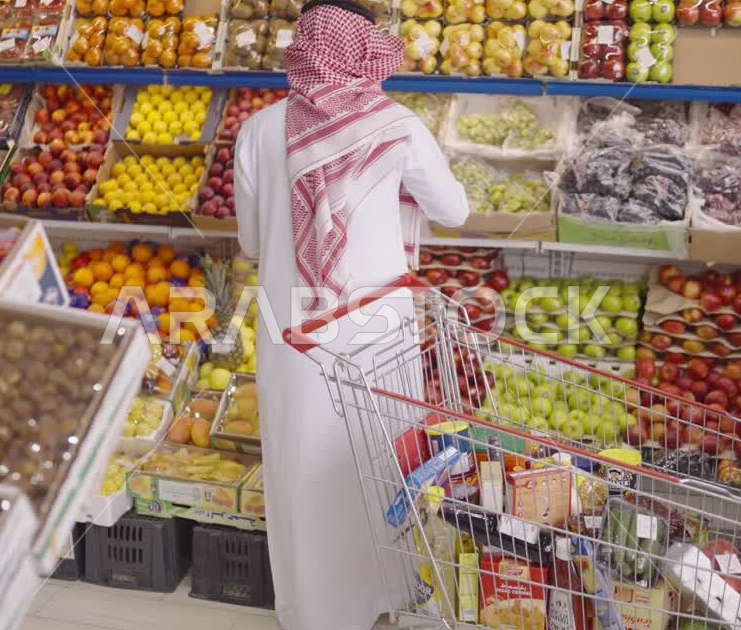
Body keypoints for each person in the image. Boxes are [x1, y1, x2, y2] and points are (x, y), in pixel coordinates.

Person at [233, 1, 470, 627]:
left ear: (303, 48)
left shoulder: (258, 130)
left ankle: (312, 611)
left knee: (299, 466)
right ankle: (384, 597)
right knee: (378, 456)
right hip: (377, 327)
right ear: (364, 48)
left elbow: (252, 243)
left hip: (292, 329)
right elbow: (454, 211)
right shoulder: (396, 125)